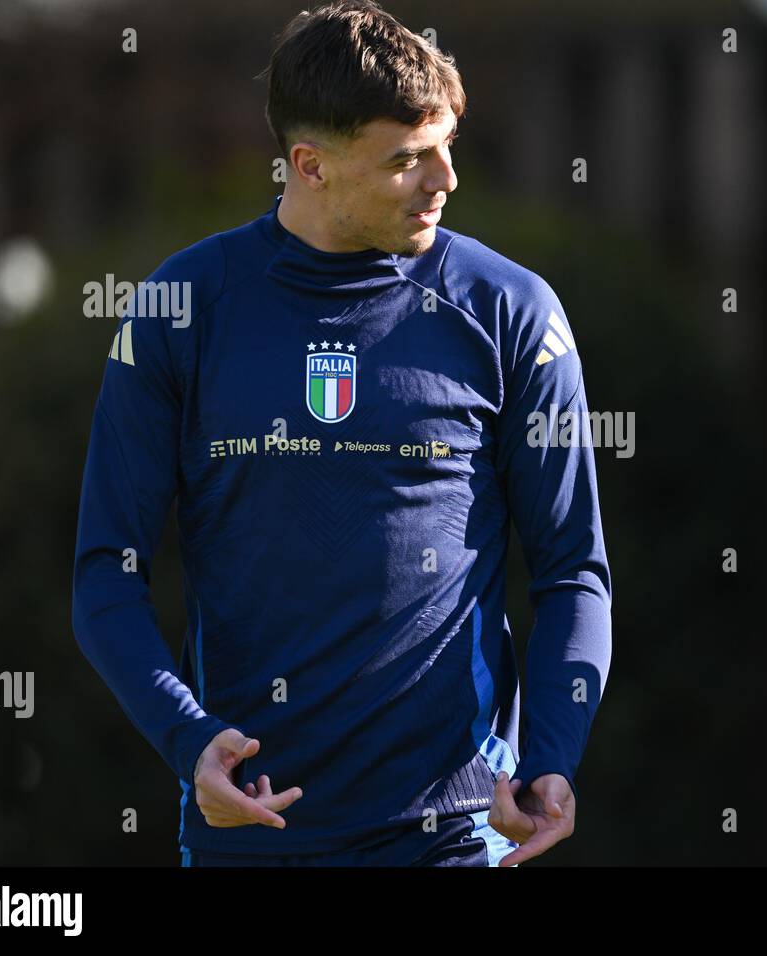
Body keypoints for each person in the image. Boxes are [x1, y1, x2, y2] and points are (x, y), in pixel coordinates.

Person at [71, 0, 612, 868]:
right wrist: (187, 737)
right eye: (405, 159)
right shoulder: (181, 312)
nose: (445, 179)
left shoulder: (511, 313)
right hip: (249, 834)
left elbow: (573, 570)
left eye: (446, 146)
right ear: (309, 166)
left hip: (453, 837)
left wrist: (550, 756)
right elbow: (106, 571)